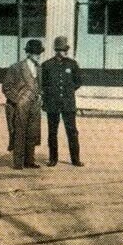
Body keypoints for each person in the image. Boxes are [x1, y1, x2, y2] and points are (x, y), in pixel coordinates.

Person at [1, 38, 44, 168]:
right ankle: (18, 162)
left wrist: (40, 96)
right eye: (35, 53)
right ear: (29, 53)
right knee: (19, 132)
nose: (38, 55)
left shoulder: (39, 69)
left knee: (32, 132)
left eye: (39, 53)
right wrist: (18, 100)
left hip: (35, 105)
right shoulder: (16, 67)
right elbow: (6, 87)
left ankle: (29, 161)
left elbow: (39, 86)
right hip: (20, 107)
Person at [41, 35, 83, 166]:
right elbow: (43, 84)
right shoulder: (47, 65)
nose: (63, 52)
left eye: (64, 49)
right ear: (56, 50)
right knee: (52, 132)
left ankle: (75, 159)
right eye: (60, 49)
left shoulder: (72, 64)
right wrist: (51, 95)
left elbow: (78, 82)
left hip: (68, 104)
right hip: (52, 103)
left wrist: (67, 93)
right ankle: (53, 159)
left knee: (72, 131)